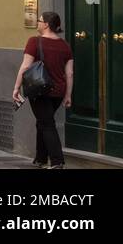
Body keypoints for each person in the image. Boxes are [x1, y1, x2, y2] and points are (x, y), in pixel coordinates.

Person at [13, 10, 74, 169]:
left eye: (40, 20)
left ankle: (57, 161)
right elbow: (70, 73)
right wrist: (68, 95)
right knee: (43, 121)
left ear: (46, 24)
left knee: (47, 123)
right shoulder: (65, 45)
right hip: (58, 92)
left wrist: (16, 87)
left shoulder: (34, 41)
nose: (38, 23)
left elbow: (25, 66)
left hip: (40, 90)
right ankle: (40, 158)